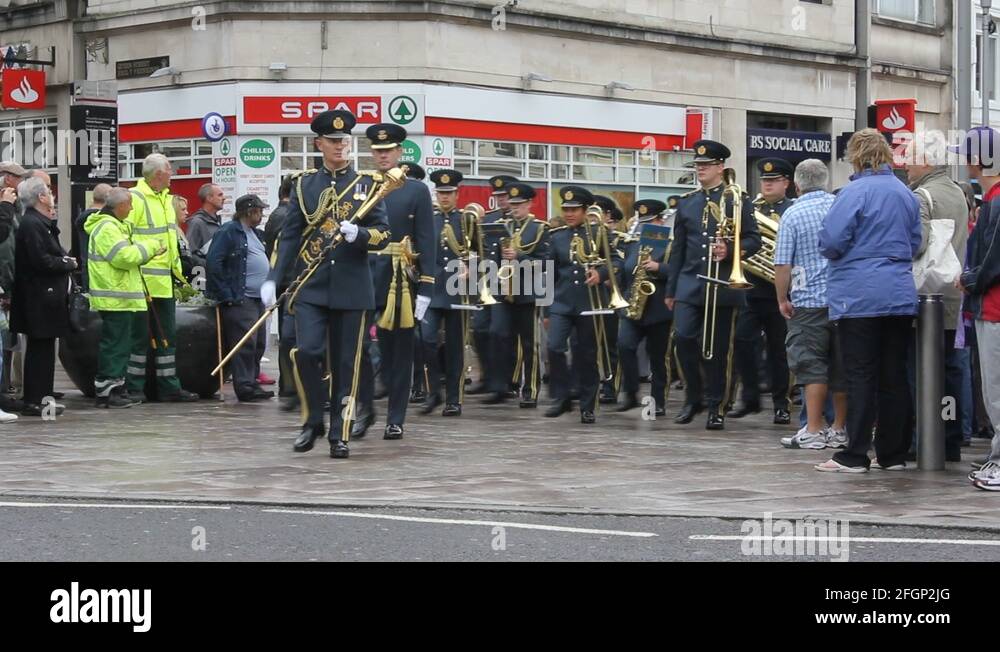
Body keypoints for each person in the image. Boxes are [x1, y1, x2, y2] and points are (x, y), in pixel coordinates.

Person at [266, 109, 391, 459]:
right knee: (306, 352)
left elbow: (384, 235)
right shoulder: (305, 184)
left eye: (344, 141)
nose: (340, 146)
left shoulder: (368, 186)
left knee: (347, 364)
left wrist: (359, 234)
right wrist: (273, 279)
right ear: (318, 144)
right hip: (312, 286)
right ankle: (311, 421)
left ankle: (341, 431)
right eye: (333, 141)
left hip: (352, 289)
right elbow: (290, 237)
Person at [814, 128, 921, 473]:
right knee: (894, 376)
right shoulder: (905, 194)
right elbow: (916, 242)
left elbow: (831, 241)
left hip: (858, 296)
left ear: (856, 157)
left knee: (860, 374)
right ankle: (893, 454)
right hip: (899, 293)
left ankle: (855, 453)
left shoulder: (853, 192)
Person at [665, 139, 761, 430]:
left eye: (705, 165)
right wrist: (671, 289)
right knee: (682, 340)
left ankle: (717, 405)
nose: (700, 169)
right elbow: (678, 248)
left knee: (719, 350)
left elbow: (754, 240)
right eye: (697, 165)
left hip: (722, 284)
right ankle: (693, 396)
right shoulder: (688, 201)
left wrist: (730, 251)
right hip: (690, 282)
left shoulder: (736, 198)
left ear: (721, 167)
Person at [353, 123, 435, 438]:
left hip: (398, 280)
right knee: (359, 348)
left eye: (388, 151)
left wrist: (426, 286)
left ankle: (395, 417)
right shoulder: (362, 185)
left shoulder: (415, 190)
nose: (382, 155)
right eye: (377, 151)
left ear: (400, 151)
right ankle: (365, 410)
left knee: (398, 352)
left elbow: (425, 240)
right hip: (363, 275)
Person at [903, 134, 970, 463]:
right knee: (950, 370)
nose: (905, 166)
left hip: (927, 295)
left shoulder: (921, 195)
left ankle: (927, 438)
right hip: (954, 296)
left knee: (924, 372)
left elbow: (918, 245)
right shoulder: (958, 191)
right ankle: (952, 436)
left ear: (926, 162)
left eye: (910, 158)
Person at [772, 159, 847, 450]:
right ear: (826, 180)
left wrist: (781, 297)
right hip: (842, 299)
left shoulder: (792, 213)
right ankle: (840, 428)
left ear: (797, 183)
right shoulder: (839, 206)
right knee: (841, 366)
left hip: (807, 301)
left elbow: (782, 263)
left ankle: (814, 429)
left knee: (810, 364)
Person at [124, 153, 200, 402]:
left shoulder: (166, 200)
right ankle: (135, 388)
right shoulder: (135, 198)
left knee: (167, 339)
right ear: (158, 174)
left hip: (164, 282)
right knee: (139, 339)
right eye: (170, 169)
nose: (173, 174)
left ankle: (169, 387)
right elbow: (125, 236)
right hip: (142, 281)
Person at [85, 187, 166, 408]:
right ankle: (107, 392)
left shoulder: (115, 226)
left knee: (120, 346)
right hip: (115, 298)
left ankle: (116, 389)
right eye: (129, 205)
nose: (131, 209)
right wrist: (149, 247)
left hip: (121, 297)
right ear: (121, 205)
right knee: (115, 346)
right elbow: (123, 257)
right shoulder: (107, 228)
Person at [729, 157, 793, 425]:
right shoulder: (749, 208)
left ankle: (781, 404)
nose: (767, 184)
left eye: (773, 180)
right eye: (764, 180)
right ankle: (750, 398)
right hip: (750, 289)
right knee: (743, 343)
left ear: (786, 183)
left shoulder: (792, 209)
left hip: (779, 291)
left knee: (779, 350)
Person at [956, 126, 1000, 490]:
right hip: (992, 306)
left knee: (997, 390)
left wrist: (970, 280)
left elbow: (993, 259)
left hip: (996, 308)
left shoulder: (998, 200)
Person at [10, 177, 75, 417]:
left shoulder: (41, 222)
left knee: (45, 351)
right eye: (48, 191)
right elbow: (41, 260)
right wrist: (66, 263)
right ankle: (35, 400)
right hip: (38, 298)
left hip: (44, 298)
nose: (52, 195)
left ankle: (42, 399)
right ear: (41, 197)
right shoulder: (32, 224)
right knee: (39, 352)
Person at [483, 182, 550, 406]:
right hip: (503, 291)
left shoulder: (539, 228)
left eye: (519, 204)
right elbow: (492, 258)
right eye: (512, 204)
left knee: (529, 343)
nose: (514, 208)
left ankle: (530, 389)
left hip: (527, 292)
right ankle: (500, 385)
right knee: (497, 333)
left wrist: (519, 256)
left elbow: (546, 263)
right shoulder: (502, 225)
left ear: (529, 203)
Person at [206, 194, 275, 403]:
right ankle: (244, 386)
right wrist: (227, 294)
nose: (262, 214)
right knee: (245, 342)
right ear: (249, 211)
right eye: (259, 210)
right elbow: (214, 263)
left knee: (258, 342)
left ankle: (251, 381)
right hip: (240, 297)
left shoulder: (255, 233)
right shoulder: (229, 231)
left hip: (256, 298)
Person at [544, 186, 604, 423]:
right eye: (566, 209)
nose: (569, 214)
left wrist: (602, 274)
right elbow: (549, 275)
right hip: (562, 302)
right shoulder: (557, 236)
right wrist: (546, 309)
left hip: (588, 302)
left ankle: (588, 405)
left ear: (585, 210)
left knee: (586, 354)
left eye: (574, 209)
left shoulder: (599, 234)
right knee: (555, 347)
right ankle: (562, 396)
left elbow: (617, 262)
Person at [419, 169, 472, 417]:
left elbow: (482, 251)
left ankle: (454, 398)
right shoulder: (429, 218)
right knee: (425, 339)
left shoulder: (467, 220)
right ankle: (433, 391)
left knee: (454, 347)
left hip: (457, 290)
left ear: (457, 194)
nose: (445, 197)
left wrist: (471, 267)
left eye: (449, 193)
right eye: (441, 193)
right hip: (432, 287)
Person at [615, 199, 673, 416]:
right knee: (625, 346)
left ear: (660, 220)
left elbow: (679, 270)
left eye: (650, 221)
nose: (645, 226)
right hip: (633, 307)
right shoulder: (632, 244)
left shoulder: (671, 245)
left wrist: (659, 267)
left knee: (658, 357)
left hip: (659, 309)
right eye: (642, 222)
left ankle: (658, 401)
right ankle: (630, 392)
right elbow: (624, 272)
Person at [469, 175, 518, 397]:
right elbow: (478, 249)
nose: (500, 200)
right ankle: (487, 377)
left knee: (500, 332)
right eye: (497, 196)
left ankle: (505, 382)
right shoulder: (490, 219)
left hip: (511, 285)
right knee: (479, 329)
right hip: (488, 282)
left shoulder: (521, 222)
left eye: (504, 196)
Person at [72, 183, 112, 290]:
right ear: (108, 199)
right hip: (100, 276)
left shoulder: (83, 219)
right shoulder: (101, 221)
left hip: (86, 273)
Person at [186, 183, 226, 255]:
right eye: (220, 195)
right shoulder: (197, 222)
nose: (224, 198)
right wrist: (206, 265)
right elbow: (189, 252)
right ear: (209, 198)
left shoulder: (217, 221)